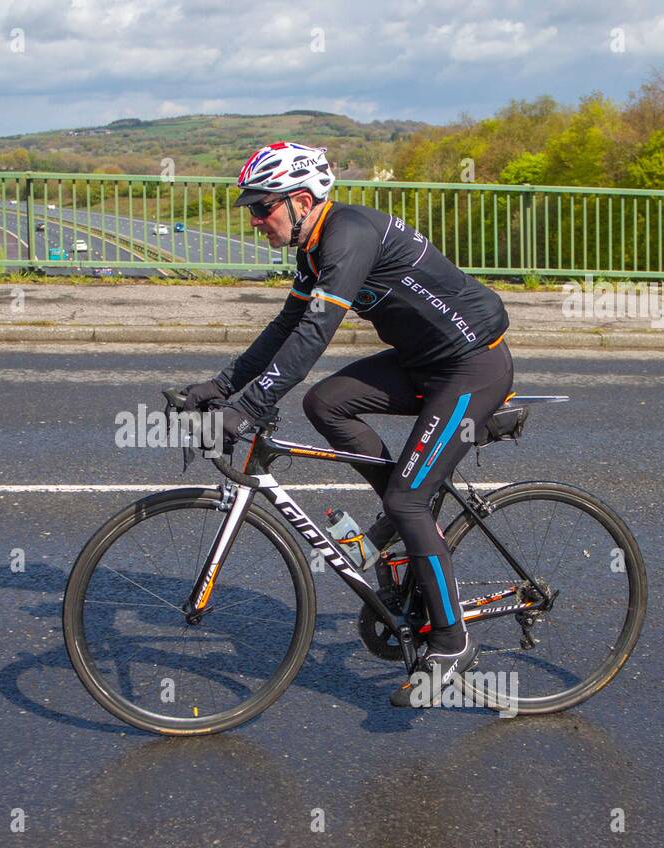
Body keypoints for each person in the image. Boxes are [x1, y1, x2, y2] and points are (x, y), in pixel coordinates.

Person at [181, 141, 514, 708]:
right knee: (326, 403)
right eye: (252, 211)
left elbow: (314, 336)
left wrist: (251, 409)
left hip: (472, 366)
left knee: (409, 501)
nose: (256, 221)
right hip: (422, 363)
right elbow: (288, 324)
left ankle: (453, 642)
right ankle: (403, 516)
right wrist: (217, 388)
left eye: (262, 208)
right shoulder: (310, 249)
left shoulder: (348, 236)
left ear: (302, 199)